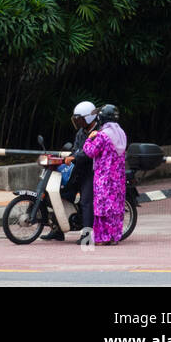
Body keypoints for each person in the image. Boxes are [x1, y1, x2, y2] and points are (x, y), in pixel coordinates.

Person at [43, 100, 96, 241]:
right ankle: (58, 229)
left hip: (92, 171)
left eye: (80, 120)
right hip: (78, 169)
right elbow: (76, 149)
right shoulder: (81, 132)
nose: (78, 123)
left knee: (86, 201)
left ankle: (87, 236)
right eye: (77, 120)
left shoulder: (97, 132)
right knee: (61, 194)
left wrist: (74, 157)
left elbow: (89, 152)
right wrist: (71, 156)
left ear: (88, 117)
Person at [81, 103, 128, 244]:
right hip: (118, 178)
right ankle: (114, 237)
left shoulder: (103, 135)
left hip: (105, 178)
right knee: (115, 208)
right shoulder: (121, 133)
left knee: (102, 208)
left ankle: (103, 238)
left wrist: (89, 138)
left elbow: (90, 151)